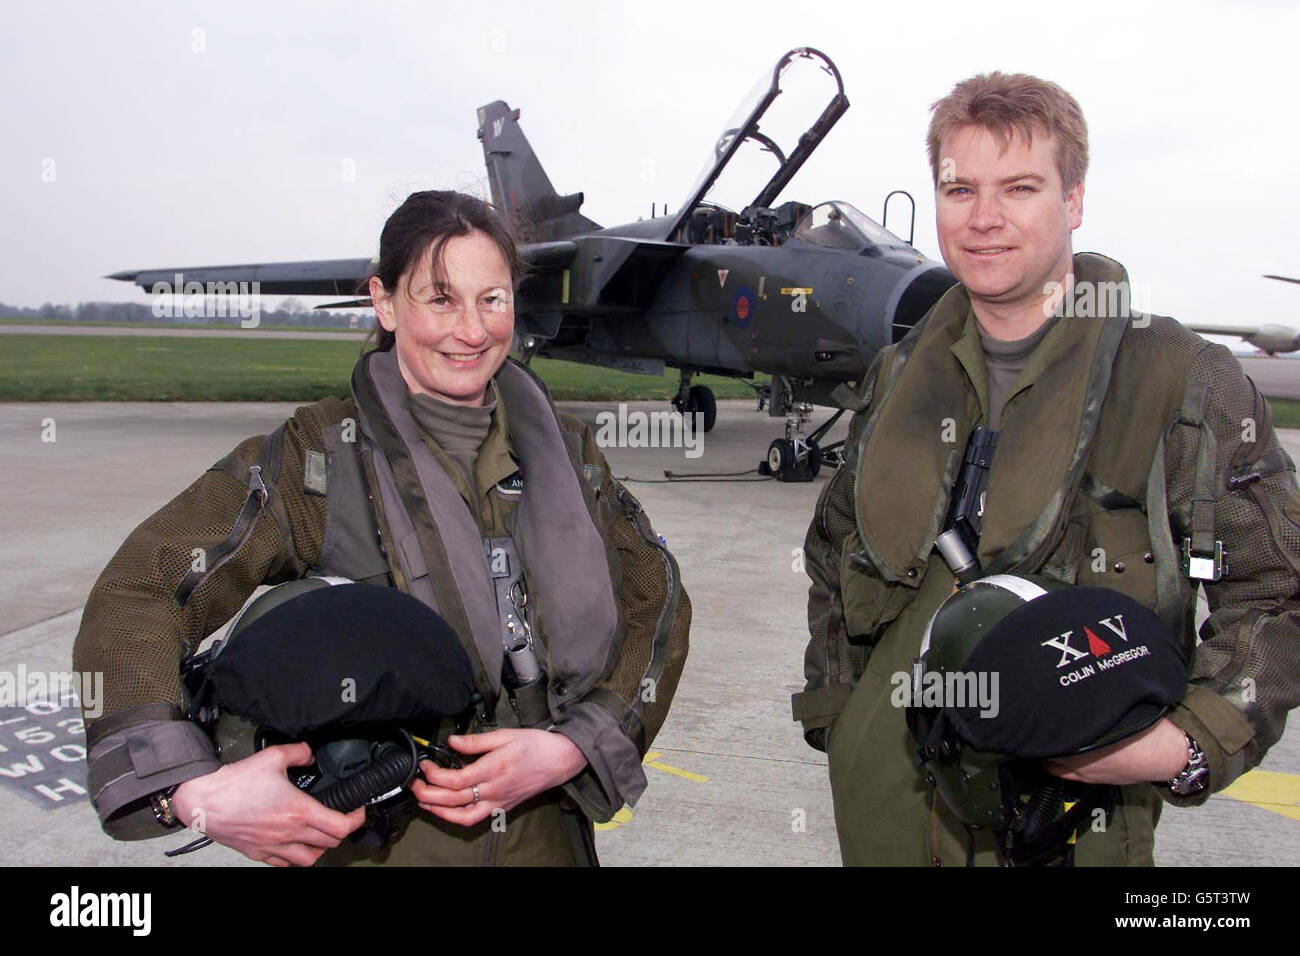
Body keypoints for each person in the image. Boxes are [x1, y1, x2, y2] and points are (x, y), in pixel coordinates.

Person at [74, 189, 691, 866]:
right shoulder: (321, 456)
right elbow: (144, 588)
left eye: (493, 299)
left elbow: (654, 591)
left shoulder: (565, 451)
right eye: (441, 298)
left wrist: (578, 742)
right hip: (387, 841)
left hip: (548, 830)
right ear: (386, 302)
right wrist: (187, 788)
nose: (473, 329)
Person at [792, 72, 1300, 865]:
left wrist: (1188, 742)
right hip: (885, 812)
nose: (984, 218)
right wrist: (839, 711)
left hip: (1071, 821)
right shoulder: (897, 376)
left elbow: (1276, 584)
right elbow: (833, 550)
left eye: (1020, 187)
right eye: (959, 189)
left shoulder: (1177, 378)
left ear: (1074, 200)